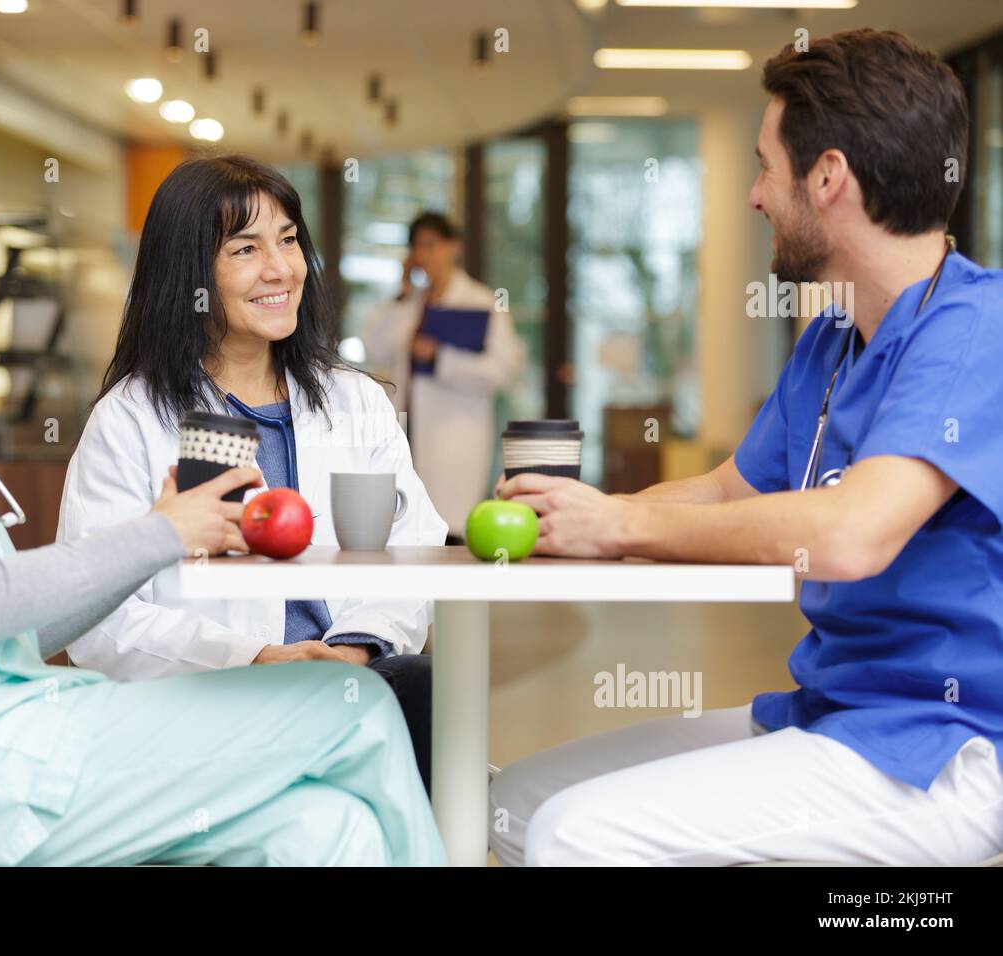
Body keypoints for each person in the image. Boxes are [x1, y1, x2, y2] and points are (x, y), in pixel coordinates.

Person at [0, 62, 446, 867]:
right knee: (358, 708)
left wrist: (158, 539)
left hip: (23, 721)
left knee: (329, 832)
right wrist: (161, 536)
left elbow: (15, 625)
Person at [488, 29, 1003, 867]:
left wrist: (618, 528)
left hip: (945, 749)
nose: (757, 195)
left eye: (766, 165)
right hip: (834, 715)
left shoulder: (978, 329)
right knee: (514, 804)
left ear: (828, 176)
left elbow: (849, 534)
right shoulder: (833, 338)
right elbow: (732, 490)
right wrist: (567, 516)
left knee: (573, 836)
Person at [58, 155, 449, 792]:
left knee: (420, 691)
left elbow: (417, 545)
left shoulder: (355, 402)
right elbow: (100, 617)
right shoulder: (130, 420)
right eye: (246, 248)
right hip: (208, 705)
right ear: (190, 273)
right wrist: (260, 658)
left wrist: (351, 652)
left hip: (353, 686)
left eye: (289, 240)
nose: (280, 269)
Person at [361, 212, 526, 542]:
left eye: (432, 245)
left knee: (450, 533)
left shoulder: (482, 302)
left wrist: (440, 358)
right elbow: (372, 348)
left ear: (454, 247)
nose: (425, 255)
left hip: (456, 434)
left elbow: (501, 372)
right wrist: (402, 293)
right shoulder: (411, 304)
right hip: (407, 431)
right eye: (418, 248)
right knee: (406, 531)